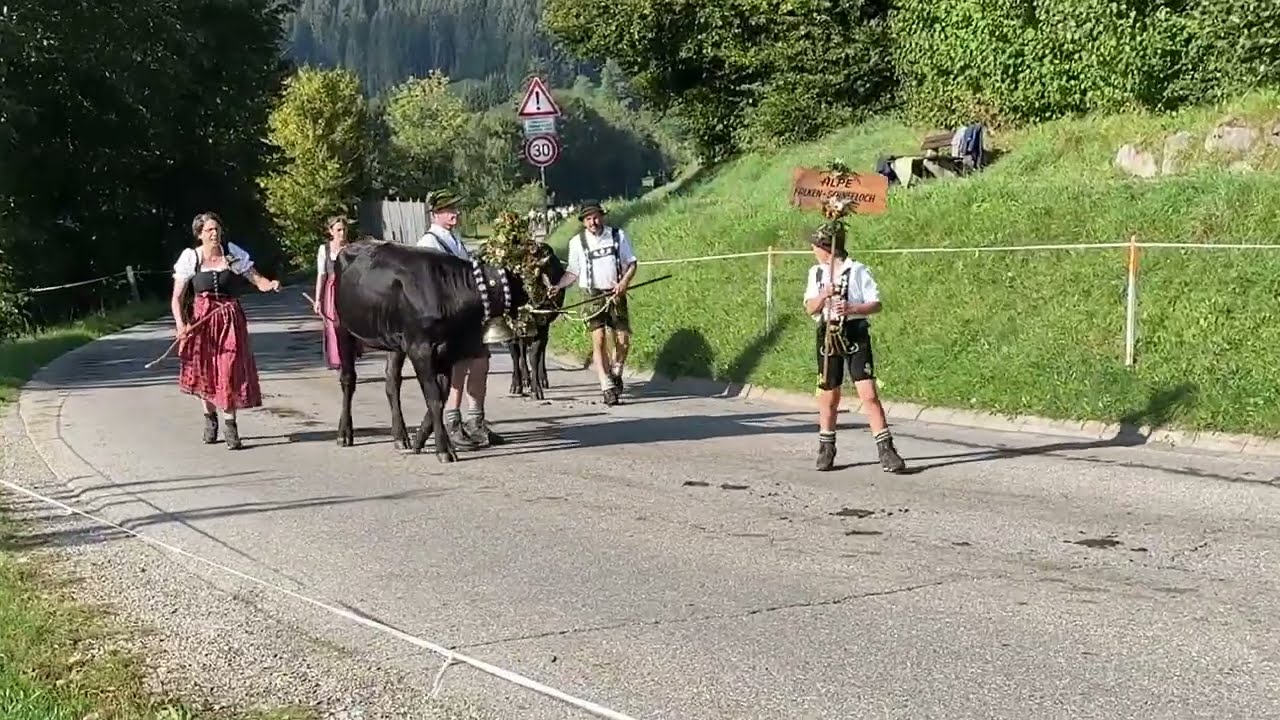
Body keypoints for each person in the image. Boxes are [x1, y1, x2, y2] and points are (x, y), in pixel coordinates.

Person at [171, 212, 280, 449]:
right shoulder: (192, 258)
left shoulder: (231, 254)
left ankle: (231, 426)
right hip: (202, 321)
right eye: (209, 230)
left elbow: (255, 278)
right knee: (205, 371)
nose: (214, 233)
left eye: (217, 229)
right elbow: (177, 298)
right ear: (199, 234)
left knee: (228, 369)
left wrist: (268, 284)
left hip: (230, 320)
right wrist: (181, 325)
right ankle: (210, 419)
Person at [802, 227, 907, 473]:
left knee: (867, 392)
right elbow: (810, 308)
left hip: (854, 332)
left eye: (816, 246)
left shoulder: (857, 270)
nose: (812, 250)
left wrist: (852, 308)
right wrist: (824, 296)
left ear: (827, 248)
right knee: (829, 394)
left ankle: (886, 449)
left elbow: (876, 303)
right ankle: (826, 447)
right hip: (827, 333)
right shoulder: (816, 273)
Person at [415, 188, 503, 449]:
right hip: (448, 319)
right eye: (450, 209)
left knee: (480, 364)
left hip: (468, 316)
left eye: (455, 208)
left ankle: (476, 421)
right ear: (436, 214)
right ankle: (453, 423)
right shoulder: (428, 245)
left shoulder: (455, 239)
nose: (456, 213)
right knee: (457, 371)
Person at [549, 201, 638, 406]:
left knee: (623, 340)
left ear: (602, 217)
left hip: (615, 294)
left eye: (596, 217)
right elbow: (573, 271)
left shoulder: (617, 236)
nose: (593, 222)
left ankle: (616, 371)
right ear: (583, 222)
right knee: (598, 340)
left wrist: (624, 282)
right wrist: (559, 286)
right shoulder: (576, 242)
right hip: (591, 295)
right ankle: (606, 386)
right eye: (588, 219)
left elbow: (632, 263)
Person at [314, 214, 361, 370]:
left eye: (344, 229)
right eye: (338, 230)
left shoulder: (352, 248)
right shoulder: (325, 249)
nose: (342, 233)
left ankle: (349, 359)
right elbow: (321, 275)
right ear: (331, 231)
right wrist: (318, 300)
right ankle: (337, 360)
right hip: (332, 291)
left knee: (350, 326)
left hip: (349, 290)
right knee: (333, 325)